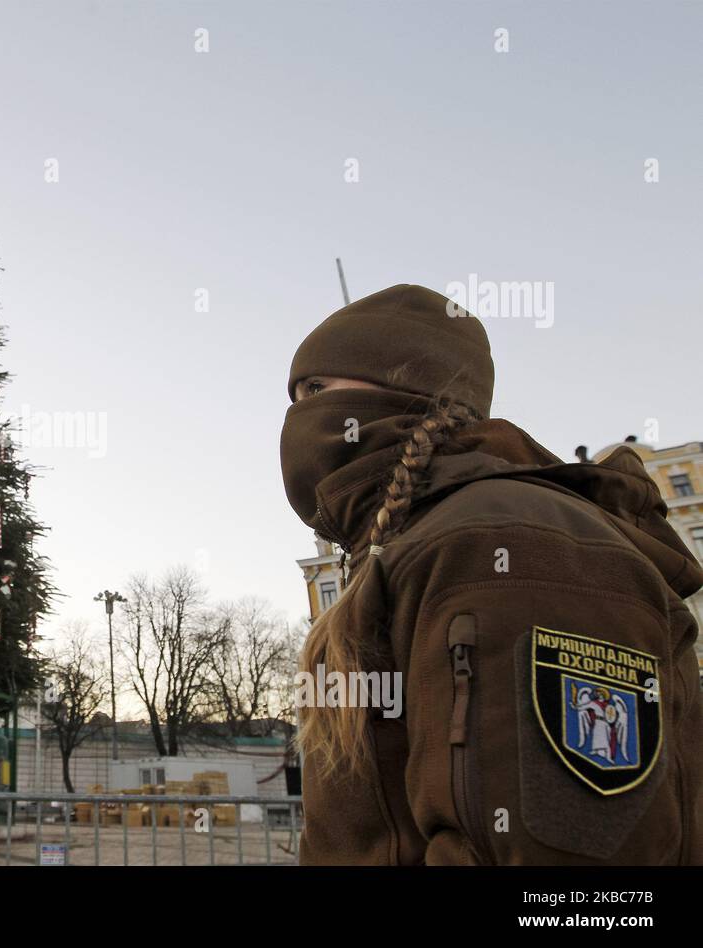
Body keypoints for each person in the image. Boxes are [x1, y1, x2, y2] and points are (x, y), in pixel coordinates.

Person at [279, 283, 703, 864]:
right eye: (298, 395)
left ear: (406, 383)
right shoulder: (407, 545)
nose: (301, 415)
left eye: (320, 388)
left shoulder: (502, 539)